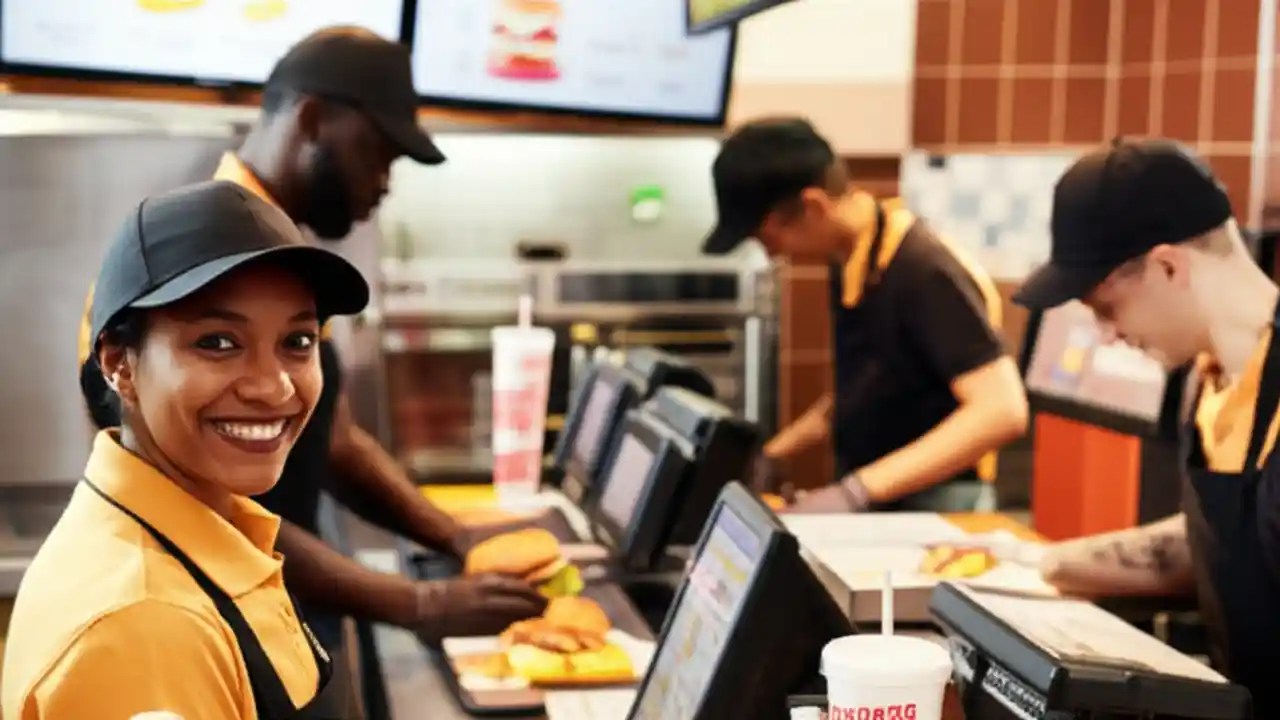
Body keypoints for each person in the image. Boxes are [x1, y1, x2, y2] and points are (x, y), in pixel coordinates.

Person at [75, 28, 547, 657]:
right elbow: (199, 504)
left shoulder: (282, 250)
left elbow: (336, 442)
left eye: (295, 342)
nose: (385, 183)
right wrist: (418, 603)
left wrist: (459, 540)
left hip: (279, 604)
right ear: (315, 119)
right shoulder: (167, 259)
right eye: (379, 153)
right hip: (210, 625)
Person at [2, 180, 370, 719]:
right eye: (218, 342)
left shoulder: (205, 529)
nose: (274, 388)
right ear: (119, 364)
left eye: (298, 341)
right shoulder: (143, 623)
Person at [1014, 138, 1280, 715]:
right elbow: (1227, 541)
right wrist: (1034, 565)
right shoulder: (1212, 381)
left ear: (1167, 266)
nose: (1106, 336)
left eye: (1105, 309)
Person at [703, 118, 1027, 513]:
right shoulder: (853, 259)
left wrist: (853, 492)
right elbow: (871, 387)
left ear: (813, 206)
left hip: (939, 504)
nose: (771, 255)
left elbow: (1003, 410)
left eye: (768, 238)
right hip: (884, 497)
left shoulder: (922, 269)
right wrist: (773, 453)